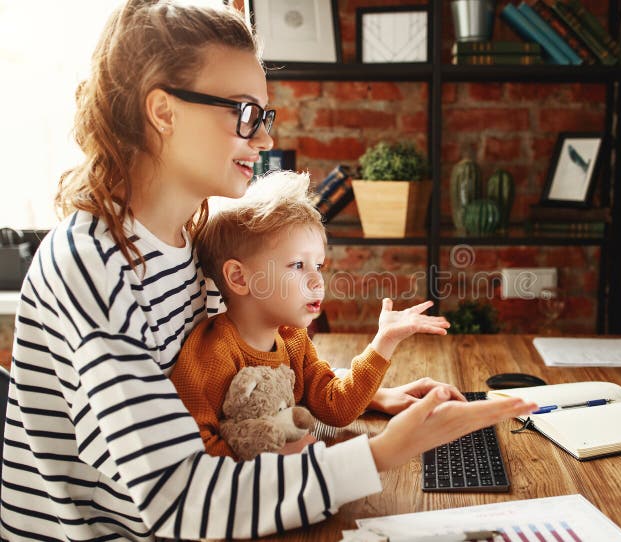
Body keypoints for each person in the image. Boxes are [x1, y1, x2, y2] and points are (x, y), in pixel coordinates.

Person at [0, 1, 536, 540]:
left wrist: (365, 400)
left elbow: (237, 389)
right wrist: (385, 452)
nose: (263, 139)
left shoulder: (189, 237)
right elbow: (176, 496)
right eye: (243, 113)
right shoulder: (93, 266)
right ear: (163, 112)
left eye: (264, 116)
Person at [170, 171, 453, 459]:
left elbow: (335, 407)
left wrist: (384, 342)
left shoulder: (293, 340)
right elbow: (196, 451)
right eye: (296, 265)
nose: (317, 281)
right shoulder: (211, 355)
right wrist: (279, 460)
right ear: (240, 278)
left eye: (318, 266)